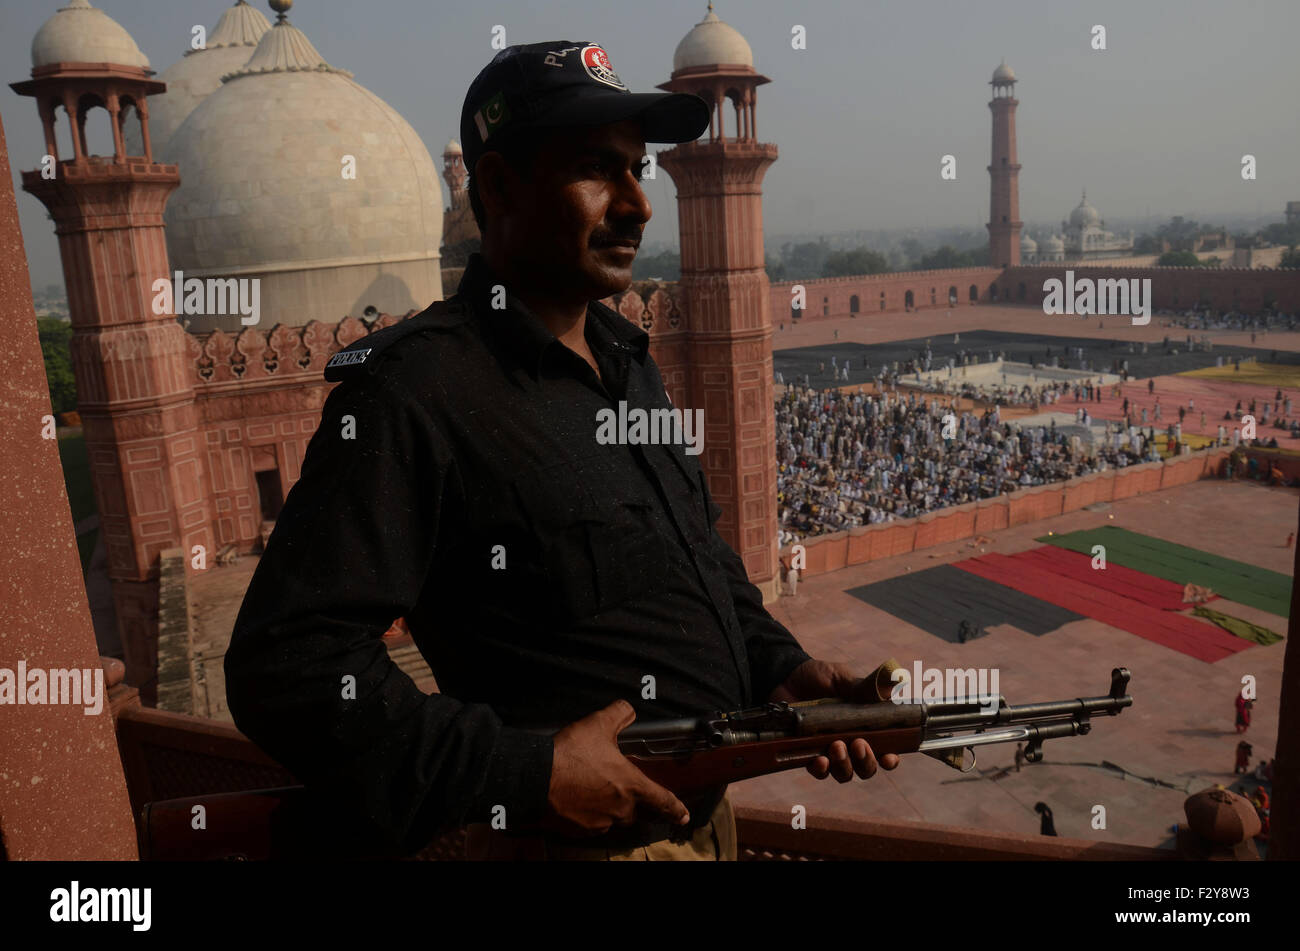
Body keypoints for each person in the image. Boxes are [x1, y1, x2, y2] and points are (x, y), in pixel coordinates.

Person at [224, 41, 898, 863]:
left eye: (637, 168)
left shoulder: (628, 360)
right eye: (595, 168)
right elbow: (287, 664)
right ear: (499, 187)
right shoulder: (417, 392)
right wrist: (524, 771)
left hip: (702, 824)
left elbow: (699, 560)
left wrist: (781, 670)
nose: (637, 204)